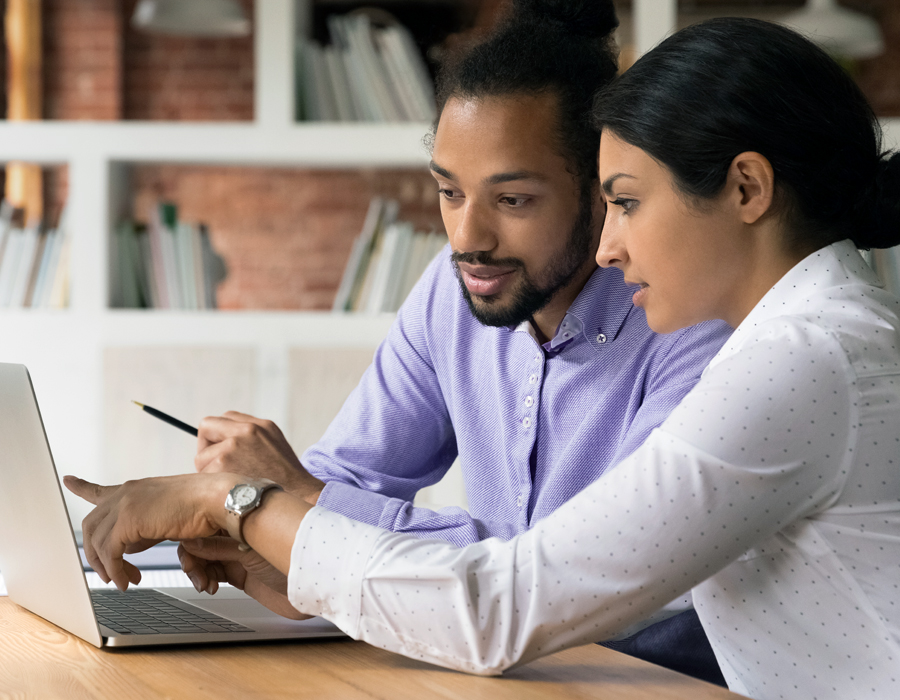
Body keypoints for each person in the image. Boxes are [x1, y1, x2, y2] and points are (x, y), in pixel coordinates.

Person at [67, 16, 900, 699]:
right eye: (449, 191)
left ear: (747, 190)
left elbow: (503, 606)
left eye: (626, 203)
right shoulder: (812, 337)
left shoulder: (799, 360)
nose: (609, 247)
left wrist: (240, 502)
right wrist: (282, 543)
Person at [190, 0, 730, 684]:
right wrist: (252, 531)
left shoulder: (694, 325)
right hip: (480, 673)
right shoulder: (453, 292)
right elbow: (353, 476)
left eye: (512, 200)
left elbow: (551, 578)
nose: (467, 239)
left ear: (602, 190)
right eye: (450, 193)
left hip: (648, 684)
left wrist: (296, 502)